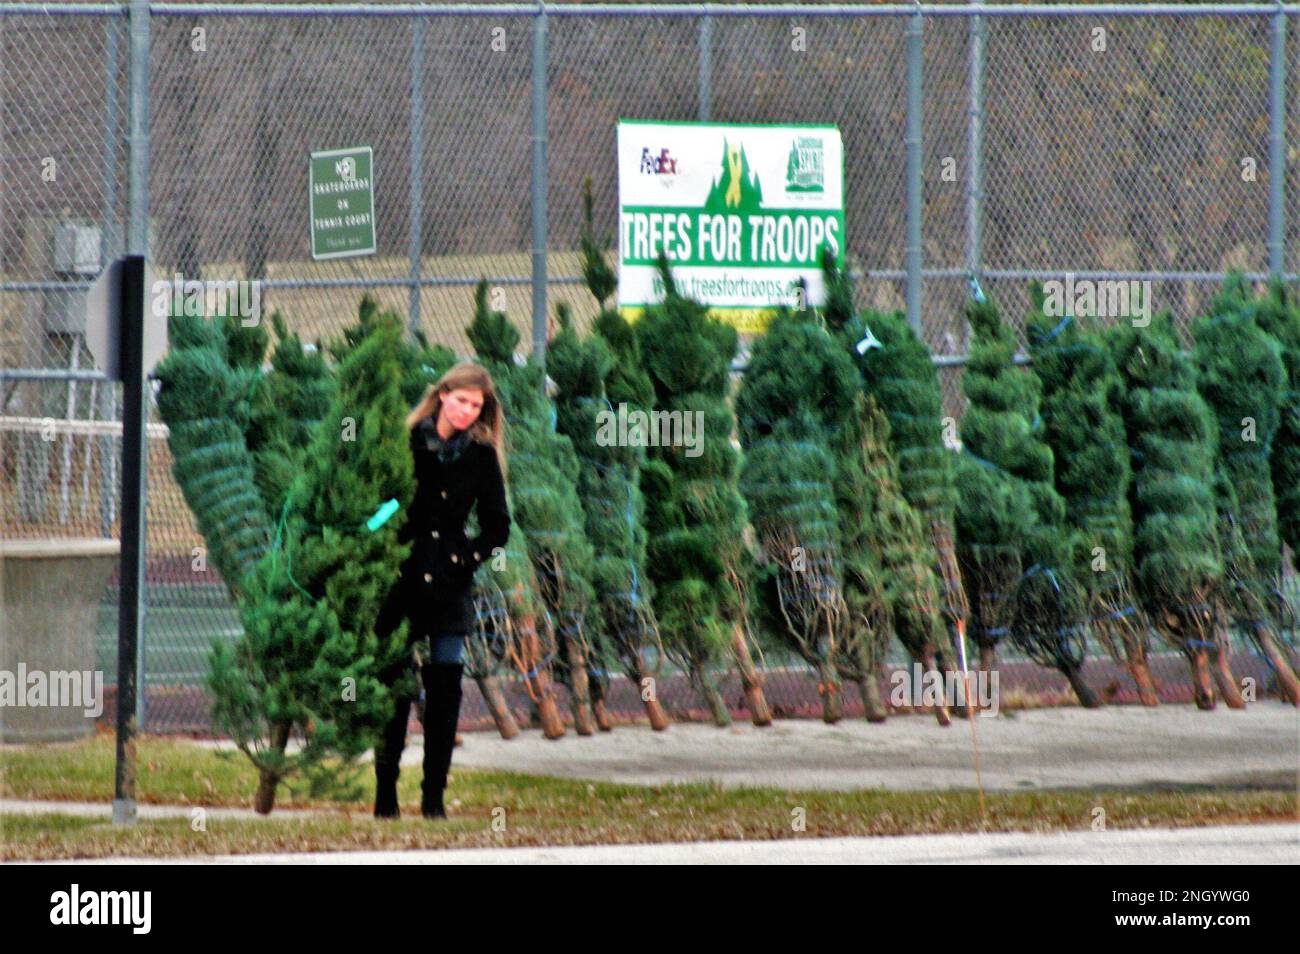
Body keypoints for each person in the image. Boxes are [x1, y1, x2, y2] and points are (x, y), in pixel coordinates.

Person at [372, 361, 511, 820]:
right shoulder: (406, 443)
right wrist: (371, 538)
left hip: (451, 585)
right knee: (392, 686)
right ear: (444, 394)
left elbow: (497, 528)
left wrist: (465, 557)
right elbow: (383, 503)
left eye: (478, 405)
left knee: (447, 685)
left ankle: (433, 798)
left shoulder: (481, 455)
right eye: (463, 400)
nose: (469, 411)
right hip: (401, 580)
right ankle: (385, 795)